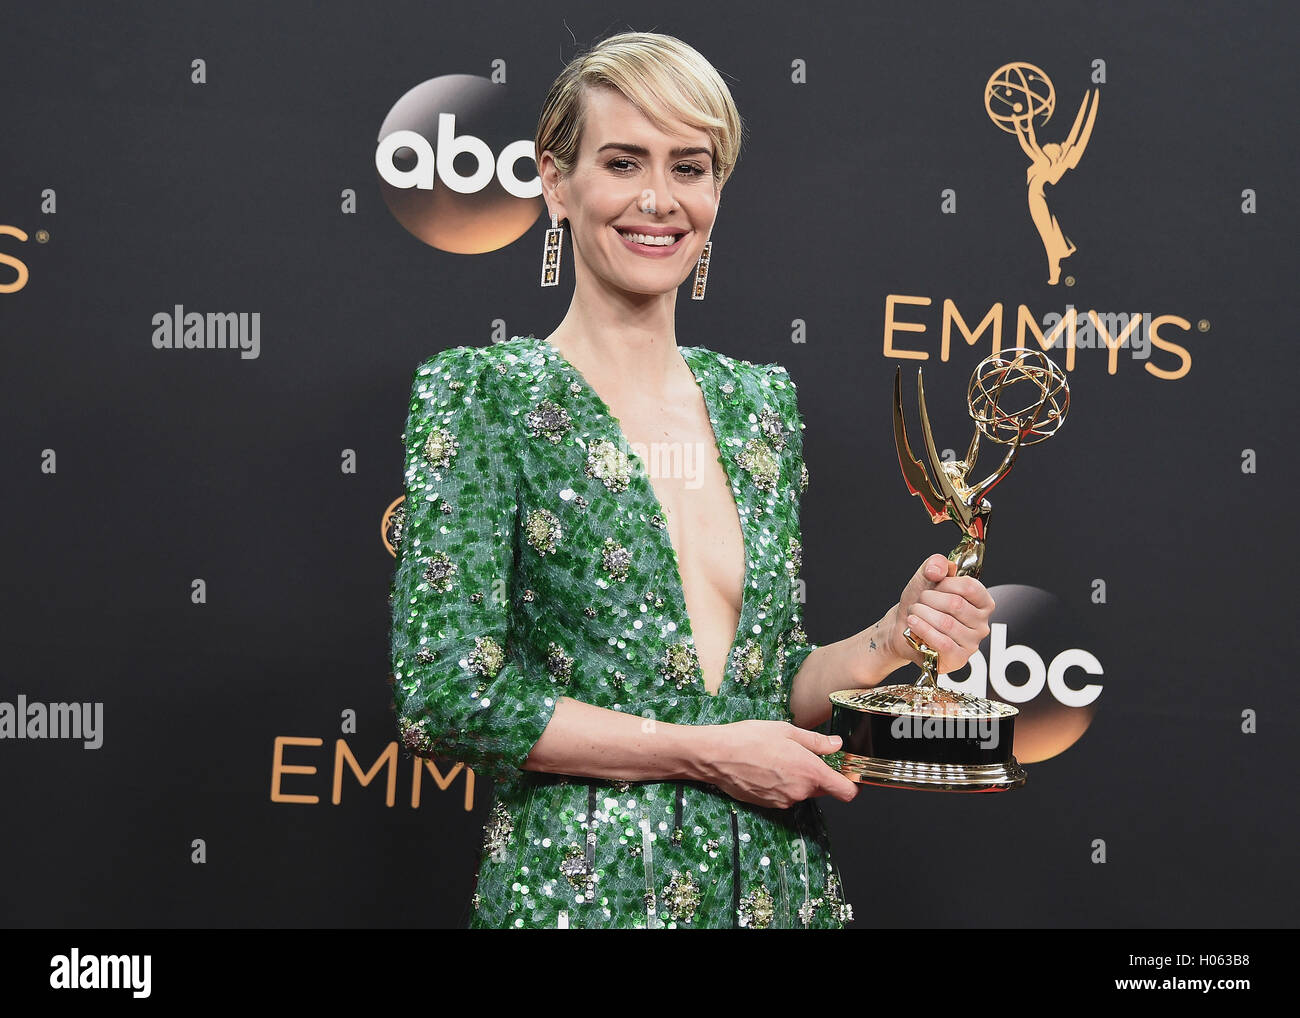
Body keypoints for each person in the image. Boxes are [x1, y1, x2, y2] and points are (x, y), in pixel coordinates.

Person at [387, 31, 995, 929]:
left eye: (691, 167)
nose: (658, 200)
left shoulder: (760, 406)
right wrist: (707, 755)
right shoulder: (485, 396)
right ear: (556, 181)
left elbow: (771, 688)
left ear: (717, 192)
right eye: (624, 161)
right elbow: (446, 696)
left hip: (777, 890)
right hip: (583, 891)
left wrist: (893, 636)